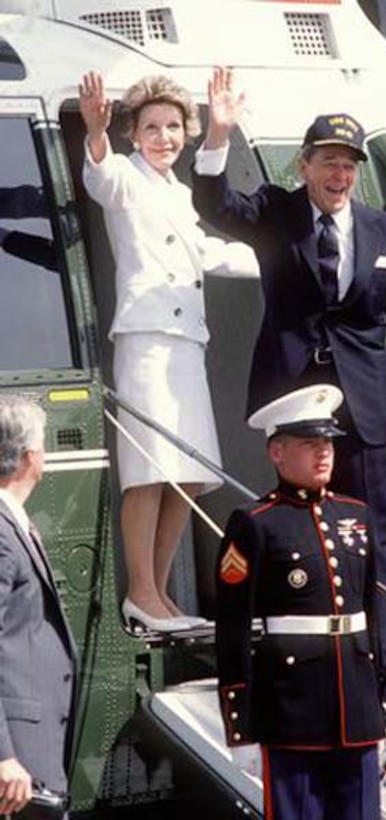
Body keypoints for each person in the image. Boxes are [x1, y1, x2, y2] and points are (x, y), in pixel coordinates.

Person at [192, 67, 386, 710]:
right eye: (328, 162)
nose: (339, 175)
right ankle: (303, 673)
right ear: (306, 164)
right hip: (295, 399)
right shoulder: (276, 212)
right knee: (298, 534)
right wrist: (216, 134)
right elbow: (213, 207)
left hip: (369, 407)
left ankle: (381, 679)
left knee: (373, 536)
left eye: (348, 165)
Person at [79, 71, 258, 633]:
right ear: (134, 134)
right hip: (148, 340)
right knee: (149, 470)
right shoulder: (126, 179)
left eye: (174, 127)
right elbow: (100, 178)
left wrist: (281, 259)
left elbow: (207, 251)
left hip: (187, 344)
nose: (164, 137)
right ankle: (142, 592)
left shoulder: (180, 194)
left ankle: (160, 598)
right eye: (152, 127)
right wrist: (94, 132)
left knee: (187, 473)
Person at [216, 384, 386, 820]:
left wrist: (382, 702)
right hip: (292, 712)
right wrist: (240, 729)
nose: (324, 453)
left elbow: (374, 614)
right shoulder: (255, 524)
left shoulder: (357, 516)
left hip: (356, 710)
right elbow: (233, 631)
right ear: (277, 452)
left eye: (327, 443)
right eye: (311, 444)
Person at [0, 396, 77, 818]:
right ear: (30, 456)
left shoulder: (13, 524)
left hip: (32, 753)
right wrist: (3, 757)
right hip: (15, 763)